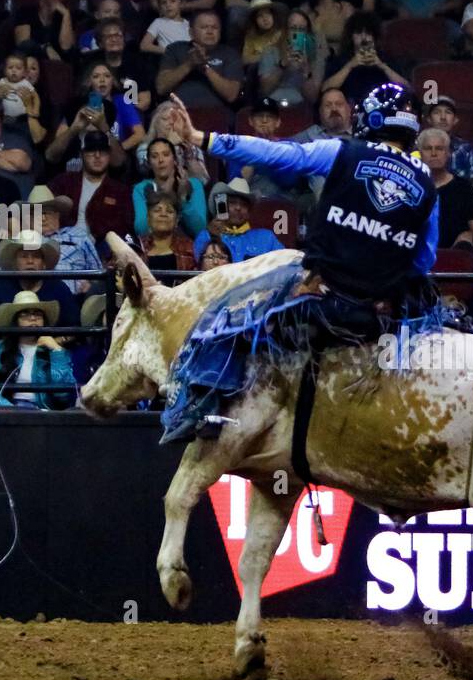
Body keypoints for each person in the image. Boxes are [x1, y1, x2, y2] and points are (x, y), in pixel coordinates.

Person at [162, 82, 439, 444]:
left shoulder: (343, 152)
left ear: (371, 119)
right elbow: (424, 260)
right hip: (378, 316)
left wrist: (203, 137)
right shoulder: (429, 185)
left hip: (320, 303)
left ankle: (202, 411)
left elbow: (278, 155)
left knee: (223, 314)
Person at [0, 290, 76, 410]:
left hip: (43, 414)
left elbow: (63, 396)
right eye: (25, 314)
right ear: (15, 320)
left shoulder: (55, 351)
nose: (33, 318)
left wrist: (57, 352)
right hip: (5, 414)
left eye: (38, 314)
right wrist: (12, 410)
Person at [0, 230, 81, 333]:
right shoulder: (0, 287)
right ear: (14, 263)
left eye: (36, 256)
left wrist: (55, 344)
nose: (30, 261)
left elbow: (74, 326)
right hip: (8, 347)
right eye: (24, 256)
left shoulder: (59, 288)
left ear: (44, 264)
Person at [51, 130, 134, 244]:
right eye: (91, 151)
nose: (97, 156)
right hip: (63, 244)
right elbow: (40, 207)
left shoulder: (120, 191)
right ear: (81, 154)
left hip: (102, 250)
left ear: (109, 156)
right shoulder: (63, 182)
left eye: (103, 151)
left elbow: (125, 227)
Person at [154, 10, 244, 110]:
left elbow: (231, 95)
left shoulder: (230, 53)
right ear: (191, 32)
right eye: (204, 27)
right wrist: (189, 64)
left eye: (215, 27)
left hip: (217, 115)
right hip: (178, 113)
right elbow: (161, 88)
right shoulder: (175, 49)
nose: (210, 32)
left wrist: (205, 67)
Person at [320, 11, 411, 106]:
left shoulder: (387, 60)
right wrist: (350, 66)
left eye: (368, 33)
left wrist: (382, 66)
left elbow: (407, 89)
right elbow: (325, 89)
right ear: (351, 37)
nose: (364, 38)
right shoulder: (339, 61)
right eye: (359, 33)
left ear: (375, 37)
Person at [417, 128, 473, 251]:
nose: (434, 153)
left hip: (454, 255)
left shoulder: (463, 187)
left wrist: (467, 236)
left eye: (439, 148)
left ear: (448, 153)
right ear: (420, 153)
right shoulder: (411, 185)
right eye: (428, 148)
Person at [29, 184, 101, 297]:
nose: (43, 218)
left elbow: (98, 273)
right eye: (38, 213)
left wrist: (91, 285)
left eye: (47, 212)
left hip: (76, 298)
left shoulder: (78, 236)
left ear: (57, 214)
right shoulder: (22, 240)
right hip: (35, 299)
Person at [133, 137, 207, 239]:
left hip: (187, 249)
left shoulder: (194, 184)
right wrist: (161, 196)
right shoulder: (142, 188)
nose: (161, 160)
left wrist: (183, 199)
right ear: (149, 163)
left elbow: (199, 229)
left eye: (166, 155)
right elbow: (141, 230)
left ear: (175, 160)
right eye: (154, 156)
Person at [194, 178, 283, 263]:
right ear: (222, 206)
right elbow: (201, 265)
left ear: (249, 211)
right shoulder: (207, 235)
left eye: (244, 205)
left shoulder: (266, 237)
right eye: (232, 202)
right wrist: (213, 237)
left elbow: (285, 263)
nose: (238, 208)